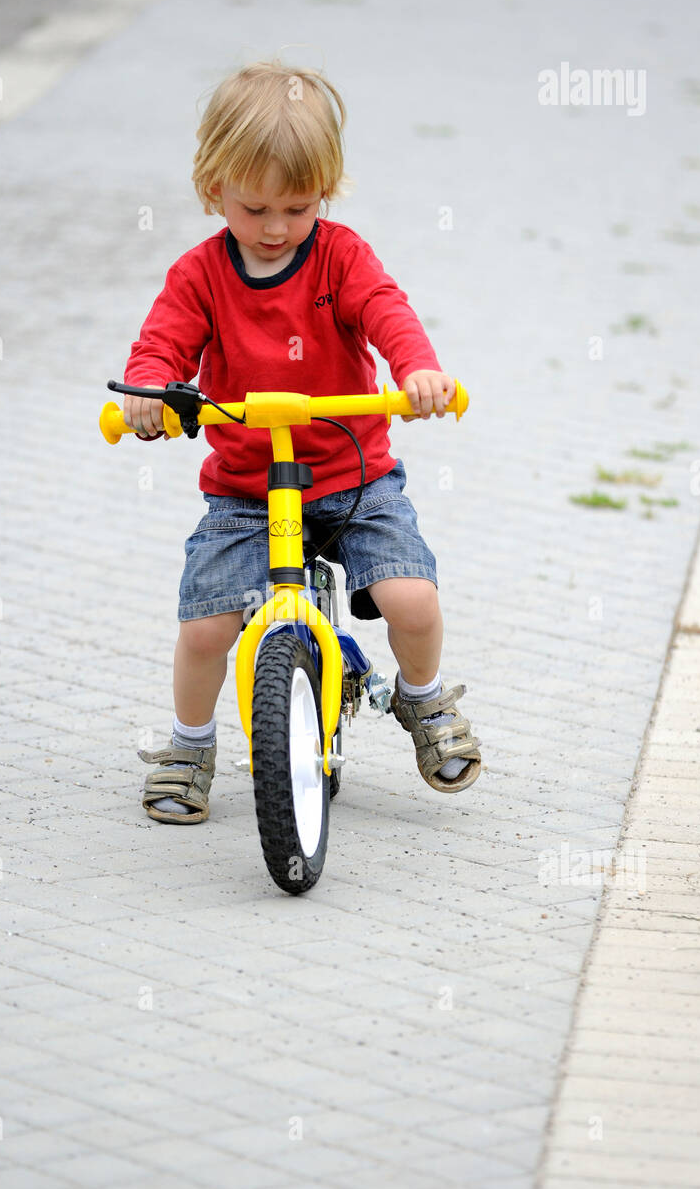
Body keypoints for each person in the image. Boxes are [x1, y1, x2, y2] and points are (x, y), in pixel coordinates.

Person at [121, 59, 481, 823]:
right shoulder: (199, 276)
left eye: (298, 204)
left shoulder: (340, 257)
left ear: (326, 191)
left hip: (353, 475)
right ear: (211, 185)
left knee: (410, 597)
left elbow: (386, 310)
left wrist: (417, 371)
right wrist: (151, 393)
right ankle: (189, 746)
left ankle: (420, 699)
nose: (278, 226)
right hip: (248, 488)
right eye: (254, 208)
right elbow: (163, 346)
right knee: (206, 625)